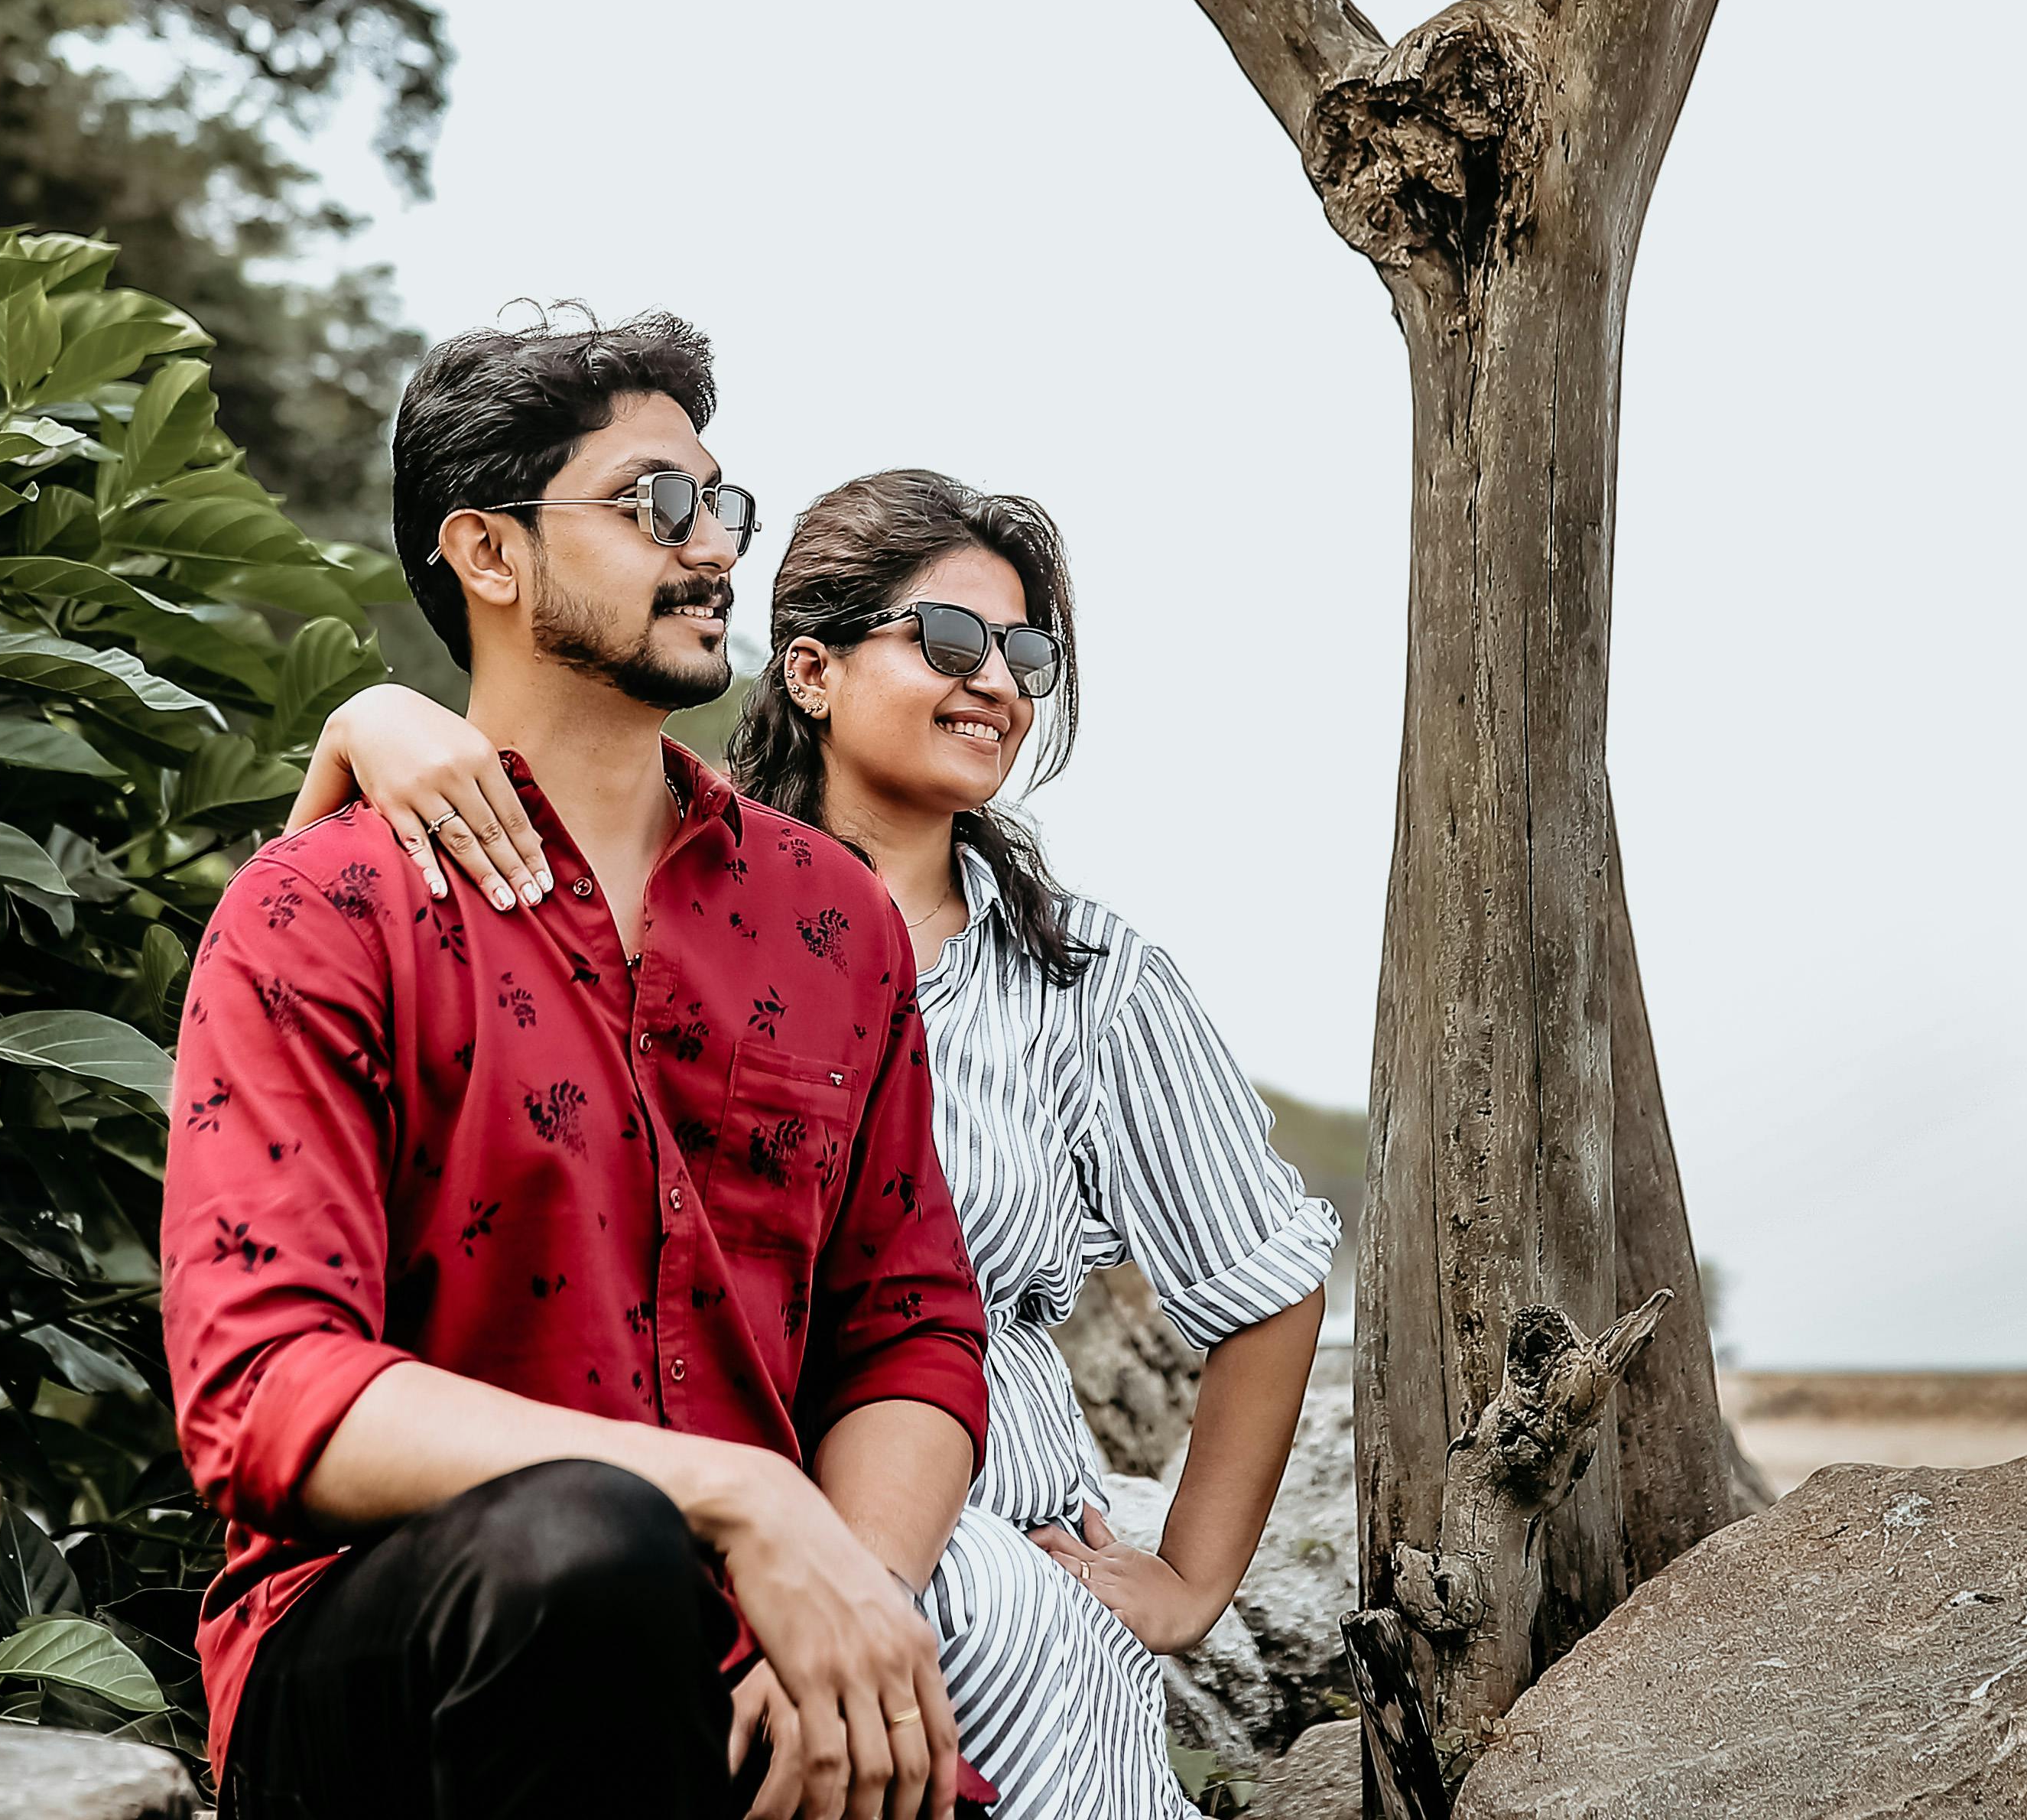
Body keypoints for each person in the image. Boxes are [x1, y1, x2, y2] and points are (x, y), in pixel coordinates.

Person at [301, 468, 1336, 1820]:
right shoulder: (654, 889)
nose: (1000, 684)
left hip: (990, 1549)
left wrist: (1193, 1584)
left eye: (1029, 655)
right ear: (810, 670)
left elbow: (1263, 1277)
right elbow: (375, 1022)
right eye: (951, 641)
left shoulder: (1086, 982)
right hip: (661, 1513)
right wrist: (367, 720)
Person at [163, 312, 995, 1820]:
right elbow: (266, 1386)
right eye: (653, 503)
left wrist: (848, 1603)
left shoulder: (835, 922)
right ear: (487, 554)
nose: (714, 550)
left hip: (744, 1690)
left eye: (722, 506)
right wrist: (737, 1497)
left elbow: (912, 1328)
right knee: (591, 1553)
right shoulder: (323, 911)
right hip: (400, 1671)